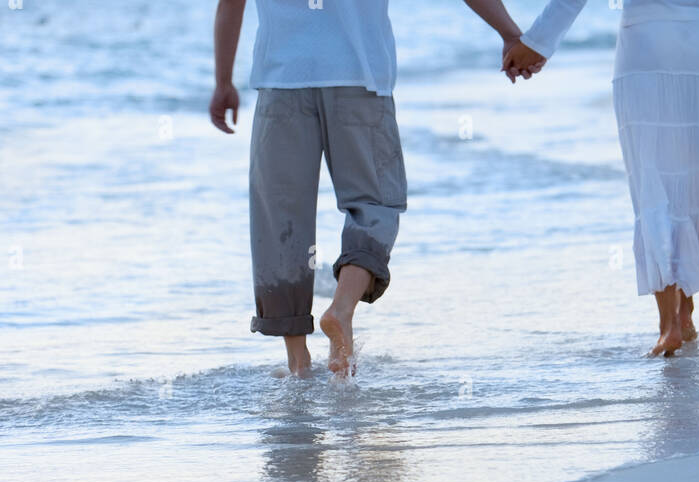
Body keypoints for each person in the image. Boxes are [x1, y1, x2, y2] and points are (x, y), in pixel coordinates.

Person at [210, 0, 527, 376]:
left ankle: (298, 361)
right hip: (359, 78)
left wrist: (223, 81)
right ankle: (341, 308)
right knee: (374, 204)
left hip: (281, 81)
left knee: (281, 222)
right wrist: (511, 34)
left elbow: (231, 3)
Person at [503, 0, 699, 355]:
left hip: (646, 45)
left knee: (653, 177)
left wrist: (537, 43)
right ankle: (685, 310)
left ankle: (667, 324)